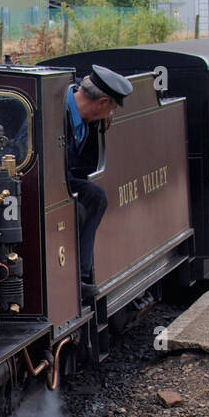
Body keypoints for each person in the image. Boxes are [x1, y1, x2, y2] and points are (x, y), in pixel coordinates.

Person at [65, 64, 134, 300]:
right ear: (103, 102)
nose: (109, 116)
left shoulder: (82, 112)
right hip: (43, 183)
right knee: (85, 204)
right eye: (111, 109)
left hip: (64, 178)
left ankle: (82, 275)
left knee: (94, 197)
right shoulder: (55, 112)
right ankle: (77, 278)